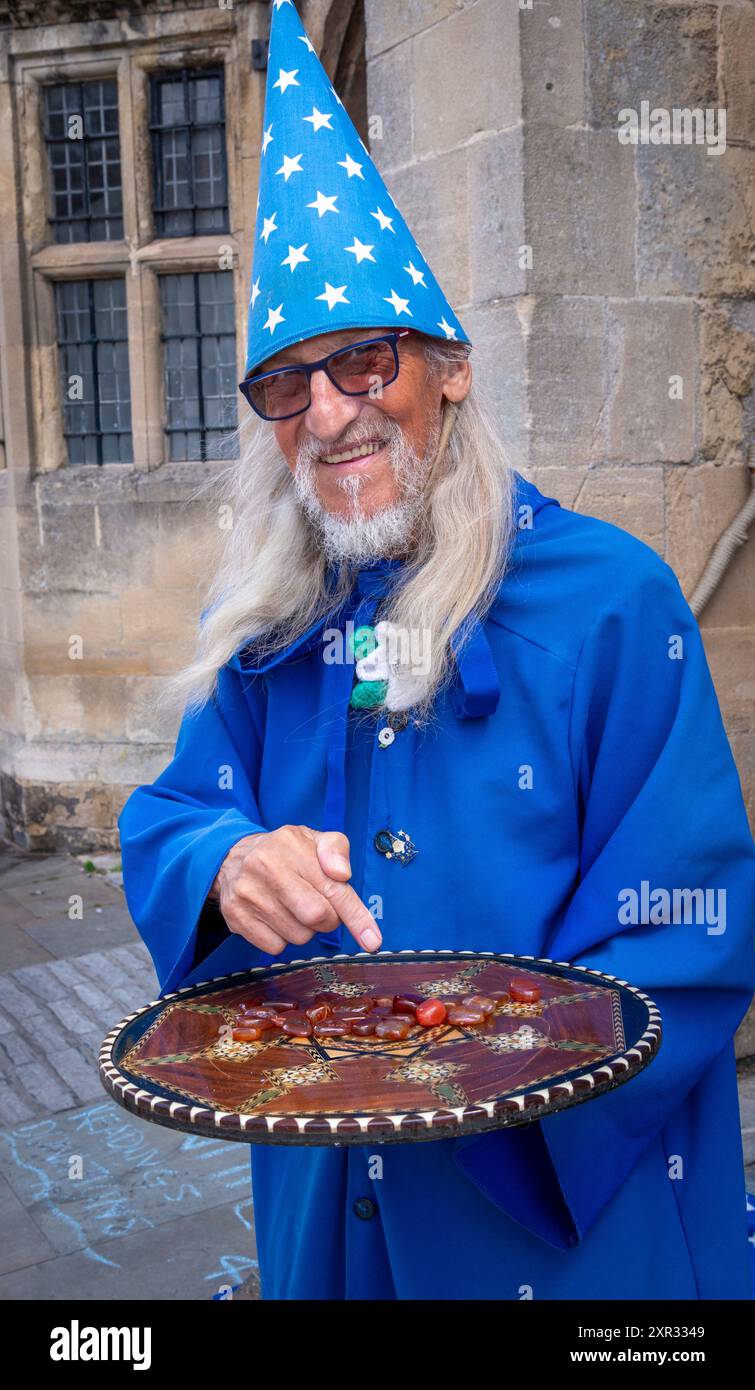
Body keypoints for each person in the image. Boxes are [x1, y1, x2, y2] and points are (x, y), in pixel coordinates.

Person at [118, 1, 755, 1299]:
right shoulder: (263, 627)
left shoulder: (614, 602)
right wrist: (223, 863)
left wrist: (463, 1080)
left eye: (365, 361)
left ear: (451, 367)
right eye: (287, 386)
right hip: (325, 1222)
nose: (333, 415)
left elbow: (689, 922)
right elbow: (174, 811)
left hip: (552, 1228)